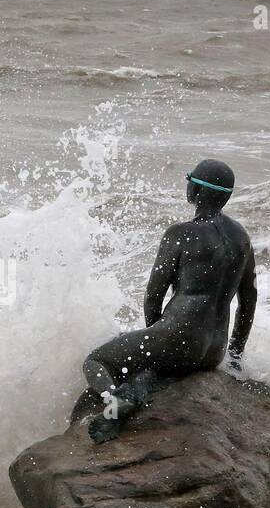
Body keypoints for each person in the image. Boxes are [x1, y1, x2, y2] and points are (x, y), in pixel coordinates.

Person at [83, 159, 257, 443]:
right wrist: (234, 358)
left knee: (96, 361)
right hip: (213, 352)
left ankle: (114, 404)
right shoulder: (242, 238)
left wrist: (155, 338)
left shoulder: (181, 233)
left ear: (197, 191)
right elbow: (248, 302)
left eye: (191, 181)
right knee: (153, 362)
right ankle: (144, 381)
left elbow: (154, 294)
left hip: (176, 340)